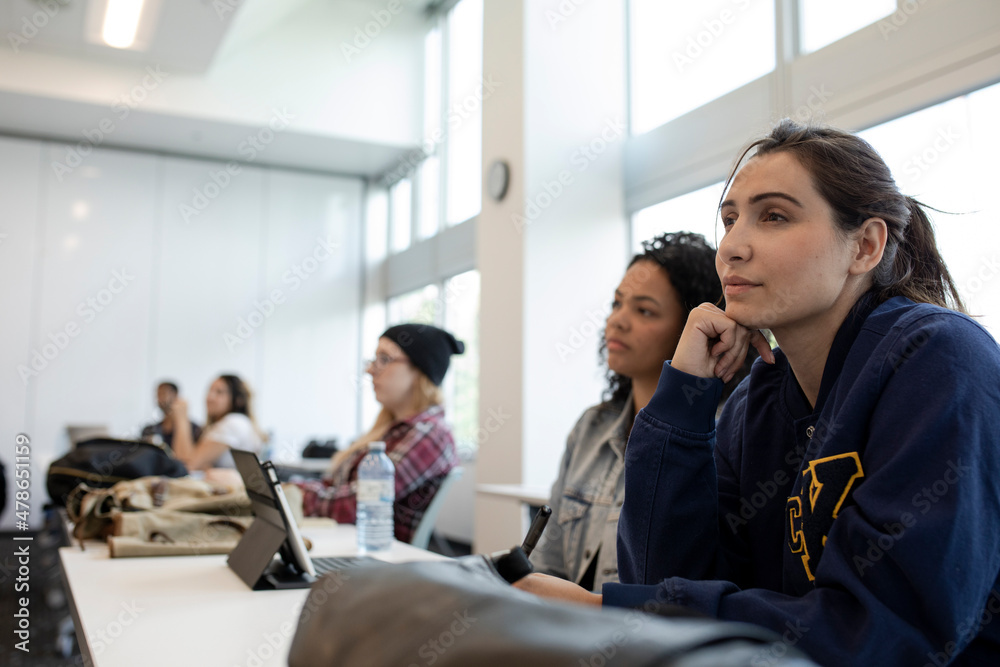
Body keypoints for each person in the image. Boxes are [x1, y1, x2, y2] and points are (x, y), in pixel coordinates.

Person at [515, 119, 1000, 666]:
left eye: (773, 216)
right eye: (729, 219)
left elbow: (884, 637)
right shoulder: (755, 400)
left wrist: (610, 610)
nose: (731, 248)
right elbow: (663, 578)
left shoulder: (939, 359)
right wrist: (683, 396)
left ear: (864, 246)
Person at [530, 232, 752, 591]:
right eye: (617, 304)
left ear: (692, 328)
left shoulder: (725, 432)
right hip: (564, 634)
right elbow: (547, 562)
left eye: (644, 310)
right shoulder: (591, 426)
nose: (617, 321)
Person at [296, 324, 463, 544]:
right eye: (374, 360)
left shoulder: (431, 434)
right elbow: (335, 488)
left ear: (419, 371)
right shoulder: (390, 430)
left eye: (384, 359)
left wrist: (294, 492)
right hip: (349, 544)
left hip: (378, 557)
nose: (369, 370)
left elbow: (359, 502)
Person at [170, 374, 263, 470]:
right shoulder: (235, 422)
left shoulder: (233, 422)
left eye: (219, 392)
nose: (210, 397)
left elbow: (187, 465)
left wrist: (181, 419)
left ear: (237, 400)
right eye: (210, 391)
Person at [140, 381, 202, 448]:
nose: (159, 398)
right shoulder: (149, 430)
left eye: (163, 393)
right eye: (158, 394)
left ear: (175, 395)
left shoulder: (195, 430)